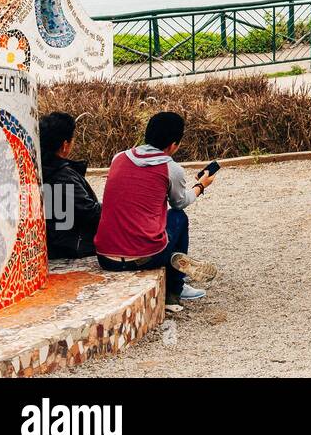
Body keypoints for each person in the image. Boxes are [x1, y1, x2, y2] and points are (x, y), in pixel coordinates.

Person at [93, 112, 218, 307]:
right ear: (174, 145)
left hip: (105, 258)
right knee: (178, 217)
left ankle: (174, 263)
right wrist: (201, 186)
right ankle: (175, 288)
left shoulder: (118, 158)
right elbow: (179, 203)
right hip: (145, 258)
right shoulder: (171, 168)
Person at [39, 112, 102, 260]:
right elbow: (90, 213)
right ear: (65, 145)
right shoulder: (63, 176)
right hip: (71, 249)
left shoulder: (37, 169)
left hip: (51, 247)